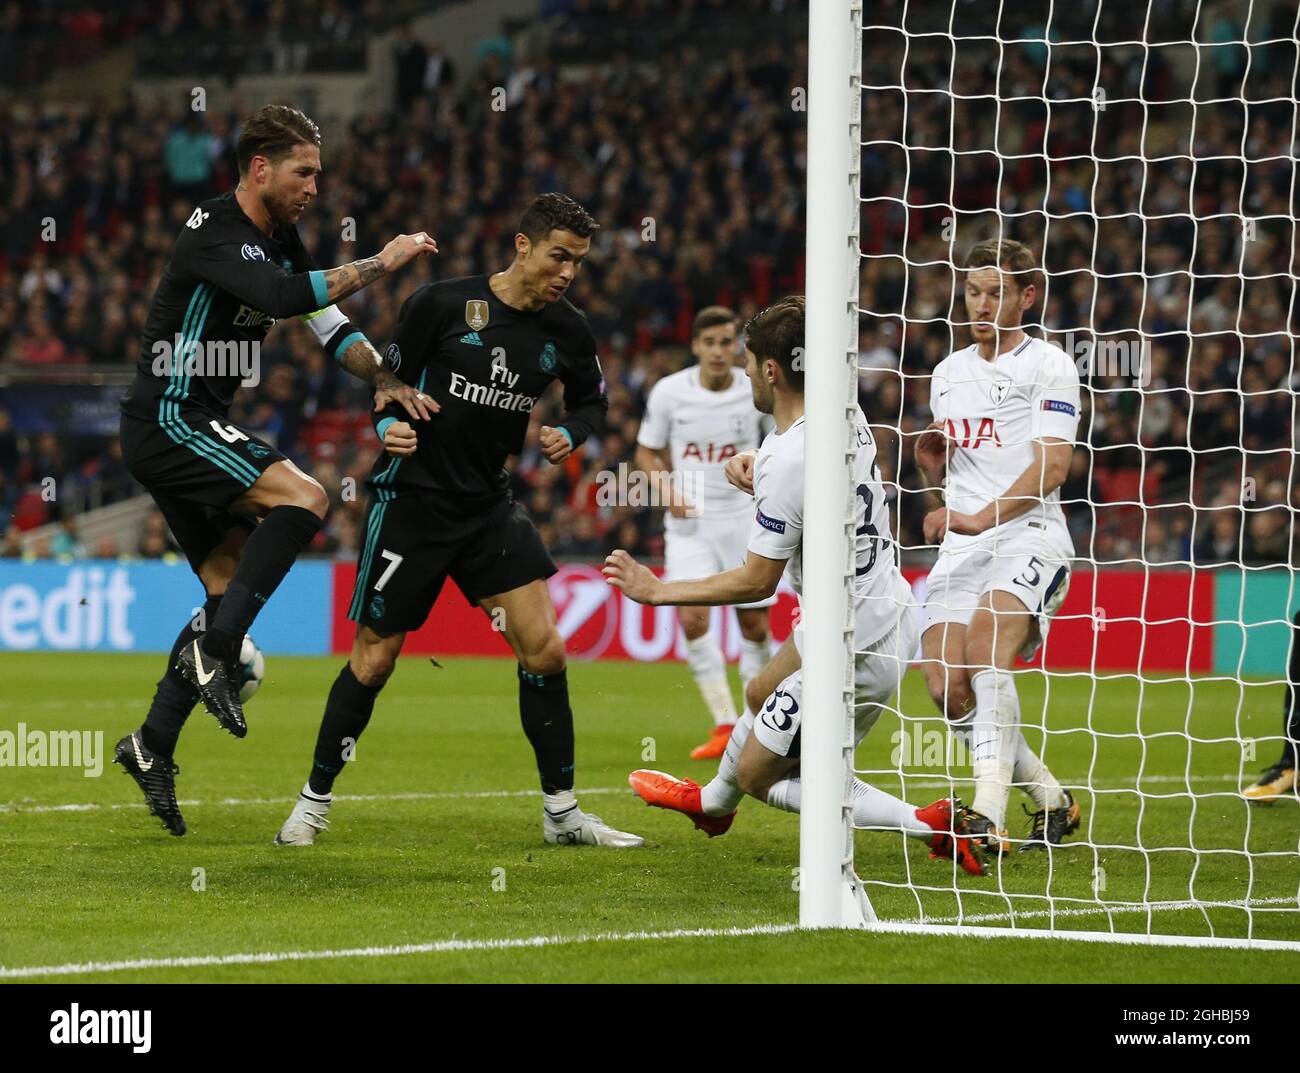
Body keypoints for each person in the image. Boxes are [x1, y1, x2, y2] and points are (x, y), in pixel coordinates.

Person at [275, 193, 642, 849]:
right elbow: (387, 381)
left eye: (579, 263)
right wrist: (387, 425)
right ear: (523, 245)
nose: (568, 273)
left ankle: (562, 813)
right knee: (376, 657)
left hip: (487, 508)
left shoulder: (568, 330)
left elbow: (593, 399)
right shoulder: (443, 303)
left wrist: (572, 431)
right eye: (560, 256)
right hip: (412, 501)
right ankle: (312, 804)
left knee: (547, 649)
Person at [114, 104, 437, 836]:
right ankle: (218, 652)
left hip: (183, 422)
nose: (315, 187)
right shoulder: (214, 230)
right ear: (261, 169)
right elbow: (285, 298)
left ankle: (151, 743)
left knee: (225, 586)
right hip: (170, 415)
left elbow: (323, 323)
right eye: (304, 172)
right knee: (306, 494)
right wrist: (381, 260)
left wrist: (382, 375)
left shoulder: (278, 236)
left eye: (317, 173)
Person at [605, 296, 983, 876]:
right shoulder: (843, 413)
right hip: (881, 608)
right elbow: (799, 471)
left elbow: (757, 580)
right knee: (760, 691)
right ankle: (710, 805)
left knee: (766, 775)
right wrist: (755, 464)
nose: (745, 372)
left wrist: (659, 591)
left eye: (751, 362)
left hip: (851, 641)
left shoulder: (788, 461)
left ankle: (925, 822)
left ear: (772, 371)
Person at [913, 238, 1082, 856]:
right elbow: (957, 472)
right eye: (974, 292)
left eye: (997, 292)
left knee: (986, 647)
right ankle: (1050, 797)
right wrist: (936, 464)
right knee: (945, 686)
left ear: (1026, 296)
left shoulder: (1050, 364)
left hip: (1031, 535)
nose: (982, 305)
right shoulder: (947, 373)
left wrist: (983, 515)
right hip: (966, 543)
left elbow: (1054, 465)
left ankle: (986, 814)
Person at [633, 306, 775, 760]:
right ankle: (723, 722)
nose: (718, 351)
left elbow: (779, 441)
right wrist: (665, 489)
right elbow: (647, 452)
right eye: (709, 342)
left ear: (738, 346)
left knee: (752, 622)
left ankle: (760, 720)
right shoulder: (669, 392)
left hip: (744, 517)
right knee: (692, 617)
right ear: (696, 346)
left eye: (727, 343)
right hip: (689, 522)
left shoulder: (754, 390)